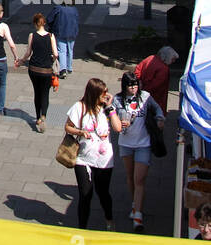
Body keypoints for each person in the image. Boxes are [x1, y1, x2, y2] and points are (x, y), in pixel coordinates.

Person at [64, 78, 122, 230]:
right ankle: (82, 228)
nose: (105, 96)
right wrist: (80, 131)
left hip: (104, 160)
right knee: (85, 194)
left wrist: (110, 107)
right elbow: (68, 127)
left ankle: (109, 219)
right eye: (102, 94)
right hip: (83, 158)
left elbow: (117, 128)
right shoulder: (79, 107)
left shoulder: (106, 109)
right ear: (94, 93)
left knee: (103, 193)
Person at [113, 71, 165, 231]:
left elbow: (158, 110)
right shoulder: (117, 100)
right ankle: (135, 203)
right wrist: (117, 122)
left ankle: (138, 216)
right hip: (126, 143)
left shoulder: (146, 97)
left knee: (139, 179)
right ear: (124, 86)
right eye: (130, 85)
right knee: (130, 177)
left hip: (144, 143)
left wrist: (160, 120)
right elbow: (111, 117)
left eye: (136, 85)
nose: (134, 88)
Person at [17, 12, 59, 132]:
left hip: (34, 69)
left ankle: (37, 117)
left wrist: (21, 61)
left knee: (37, 93)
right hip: (46, 70)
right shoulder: (51, 36)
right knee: (45, 93)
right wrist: (51, 59)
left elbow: (28, 52)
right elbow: (56, 54)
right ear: (44, 23)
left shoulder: (32, 35)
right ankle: (43, 116)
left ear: (35, 24)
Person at [135, 46, 178, 114]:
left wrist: (139, 83)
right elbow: (156, 85)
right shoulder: (164, 69)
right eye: (173, 59)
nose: (173, 61)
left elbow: (138, 70)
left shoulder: (150, 58)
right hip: (156, 98)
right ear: (167, 57)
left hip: (142, 91)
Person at [45, 0, 80, 77]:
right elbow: (77, 20)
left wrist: (51, 28)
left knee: (62, 51)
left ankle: (63, 69)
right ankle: (69, 67)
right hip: (72, 33)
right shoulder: (74, 9)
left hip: (60, 32)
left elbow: (49, 19)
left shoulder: (58, 9)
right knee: (70, 50)